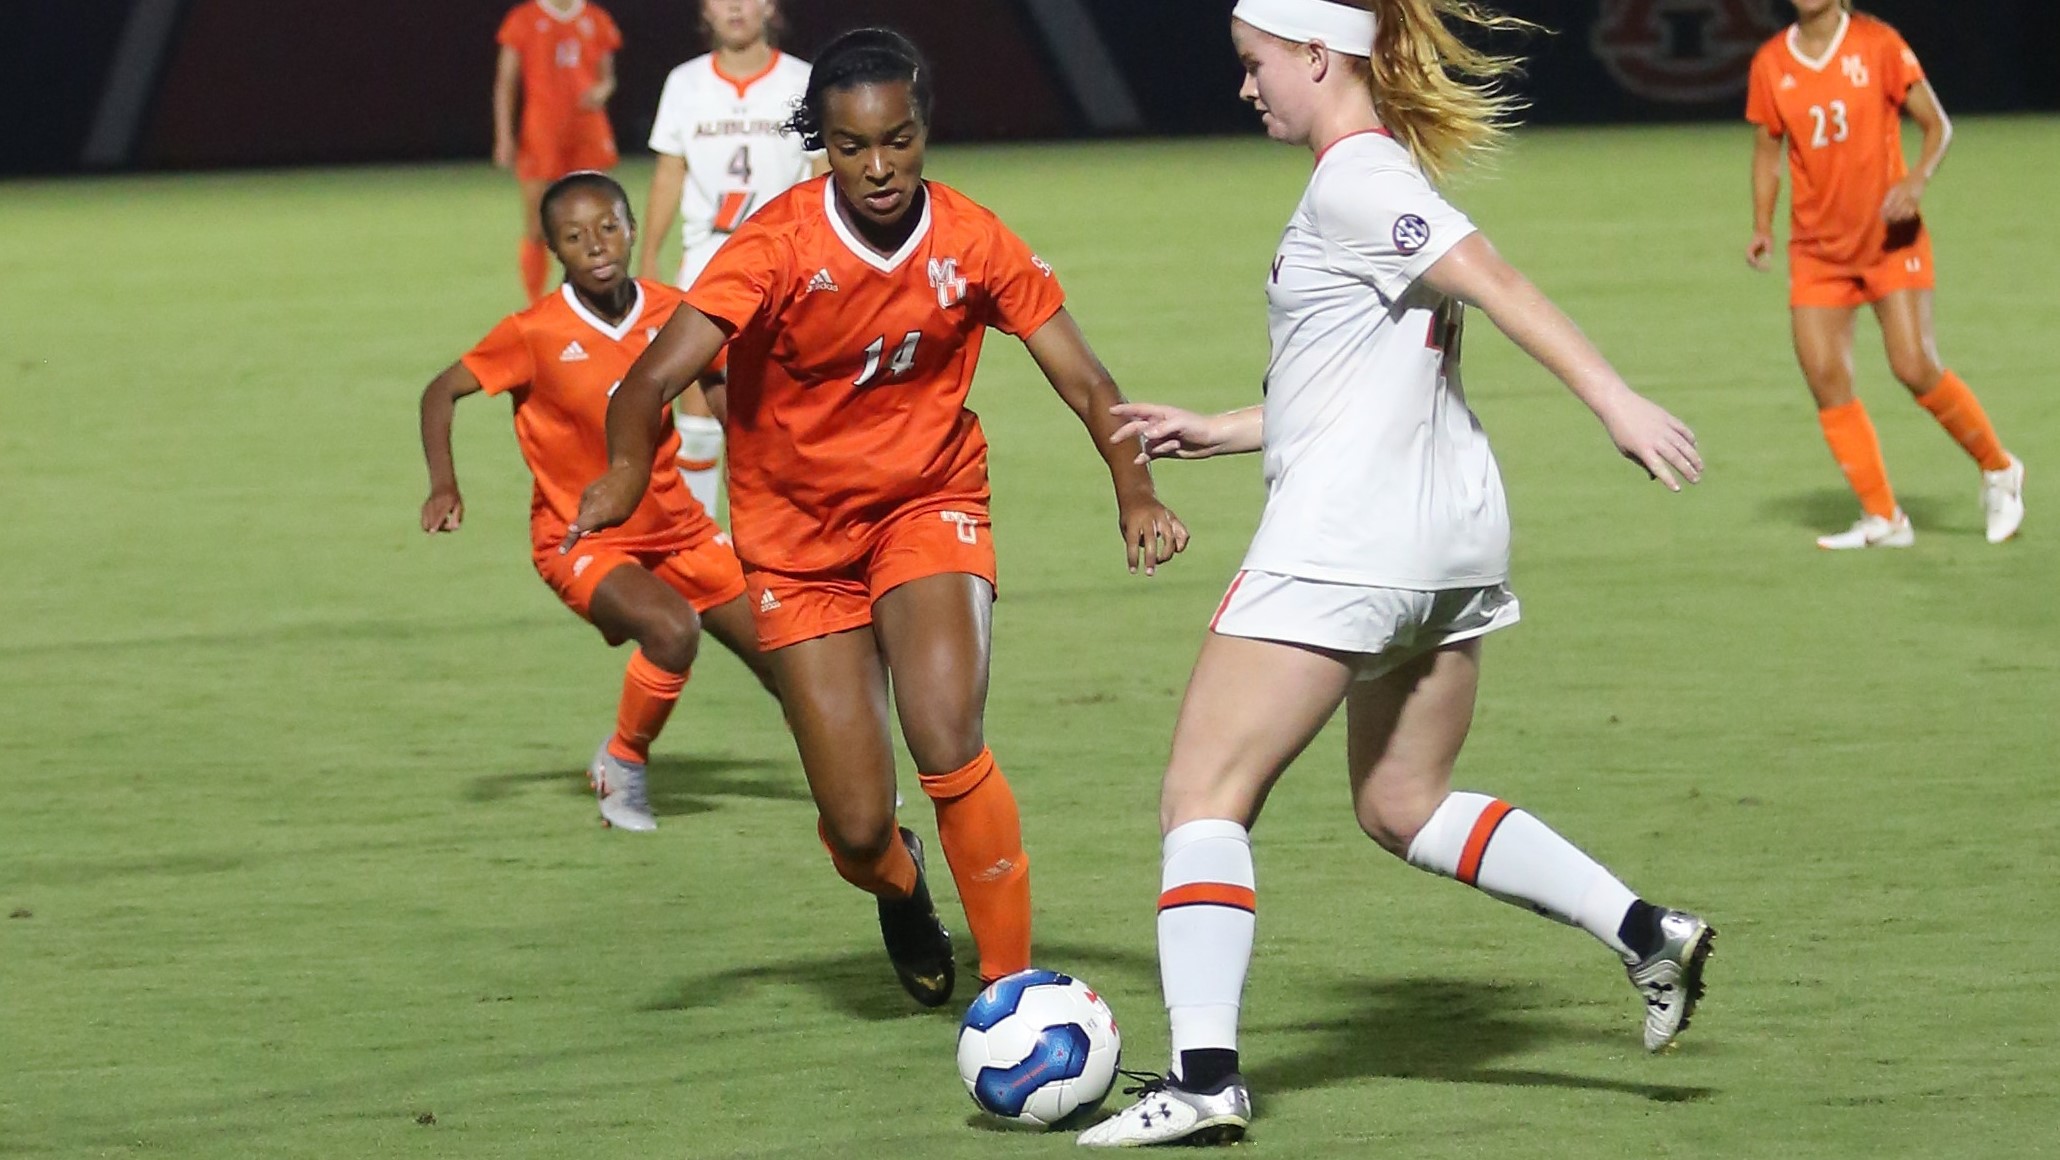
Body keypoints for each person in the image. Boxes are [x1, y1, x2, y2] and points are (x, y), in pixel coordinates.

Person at [1076, 0, 1713, 1146]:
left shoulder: (1356, 180)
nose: (1244, 87)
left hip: (1348, 540)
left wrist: (1613, 400)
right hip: (1446, 540)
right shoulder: (1374, 179)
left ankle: (1204, 1078)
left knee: (1201, 796)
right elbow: (1355, 372)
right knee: (1399, 800)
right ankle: (1643, 930)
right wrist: (1224, 427)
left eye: (1254, 65)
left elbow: (1492, 278)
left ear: (1314, 57)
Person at [564, 29, 1190, 1006]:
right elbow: (647, 379)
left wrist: (1134, 485)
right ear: (823, 142)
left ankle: (1014, 993)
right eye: (853, 146)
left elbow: (1084, 376)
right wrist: (624, 472)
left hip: (927, 505)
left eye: (898, 140)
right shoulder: (774, 245)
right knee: (857, 828)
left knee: (946, 737)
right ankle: (899, 885)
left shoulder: (972, 239)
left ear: (923, 128)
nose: (879, 166)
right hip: (796, 546)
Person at [419, 172, 778, 833]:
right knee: (672, 630)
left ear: (632, 228)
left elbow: (717, 380)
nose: (596, 245)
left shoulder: (674, 311)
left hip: (679, 529)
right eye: (574, 236)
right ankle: (623, 760)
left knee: (790, 650)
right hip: (580, 539)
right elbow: (440, 392)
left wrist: (760, 455)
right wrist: (445, 484)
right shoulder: (534, 333)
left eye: (609, 227)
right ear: (554, 249)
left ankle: (852, 784)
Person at [1747, 0, 2024, 548]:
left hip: (1888, 240)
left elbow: (1937, 125)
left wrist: (1917, 179)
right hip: (1818, 250)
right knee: (1826, 378)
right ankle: (1883, 517)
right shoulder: (1771, 62)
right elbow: (1766, 150)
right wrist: (1761, 225)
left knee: (1913, 364)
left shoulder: (1877, 44)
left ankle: (1999, 469)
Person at [642, 0, 826, 517]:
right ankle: (700, 540)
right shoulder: (685, 83)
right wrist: (649, 256)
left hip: (784, 269)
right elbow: (669, 172)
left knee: (780, 411)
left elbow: (821, 174)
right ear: (706, 10)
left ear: (770, 6)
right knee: (696, 407)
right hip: (704, 264)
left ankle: (781, 530)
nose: (736, 7)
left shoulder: (803, 81)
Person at [494, 0, 623, 302]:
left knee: (595, 222)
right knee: (537, 226)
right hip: (542, 133)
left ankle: (594, 297)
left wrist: (602, 90)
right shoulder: (523, 19)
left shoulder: (595, 18)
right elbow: (506, 82)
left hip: (588, 130)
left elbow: (607, 77)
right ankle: (535, 302)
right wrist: (504, 136)